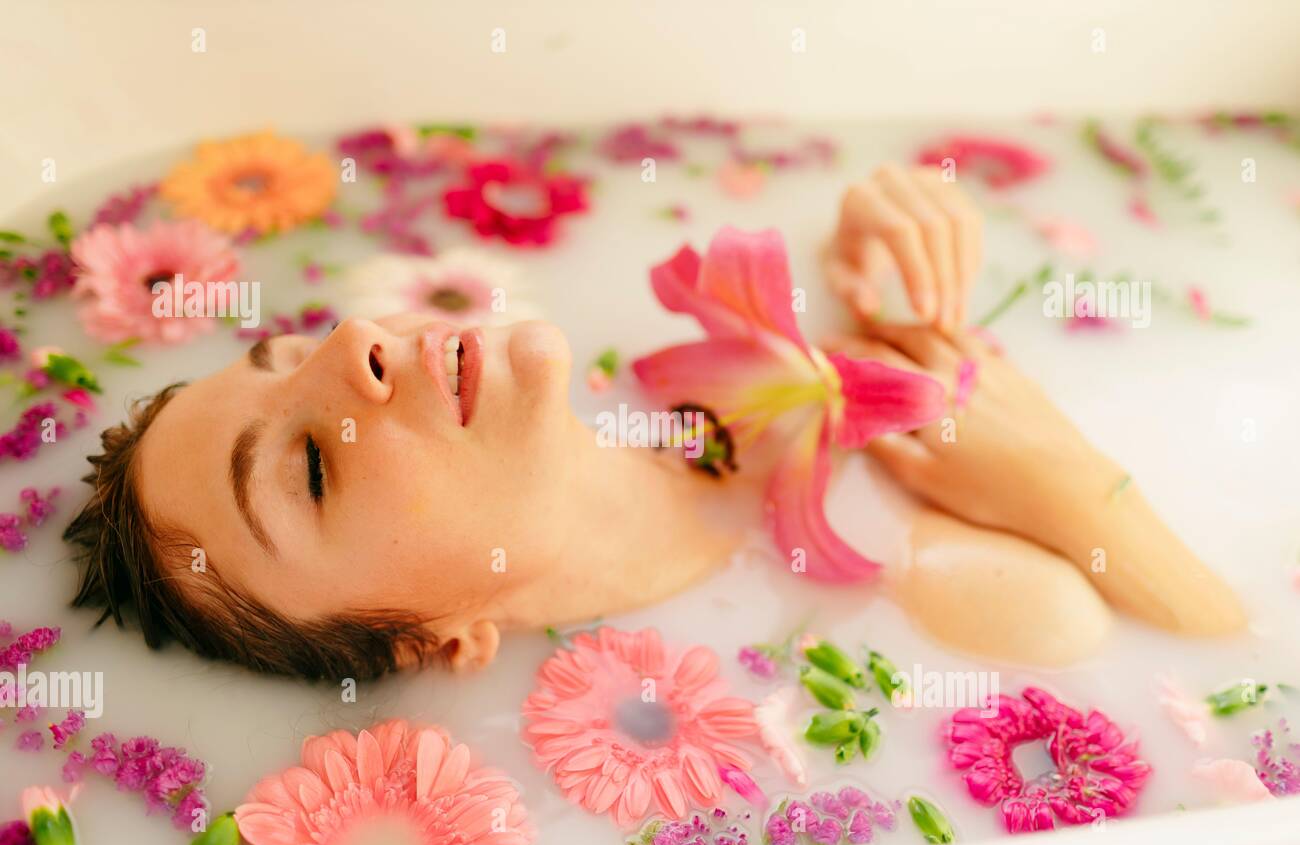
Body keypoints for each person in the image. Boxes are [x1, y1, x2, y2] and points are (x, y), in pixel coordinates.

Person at [63, 166, 1245, 680]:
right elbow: (1225, 645)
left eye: (280, 353)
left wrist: (895, 224)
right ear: (438, 639)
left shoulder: (697, 339)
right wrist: (1065, 480)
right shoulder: (927, 590)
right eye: (312, 466)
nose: (342, 345)